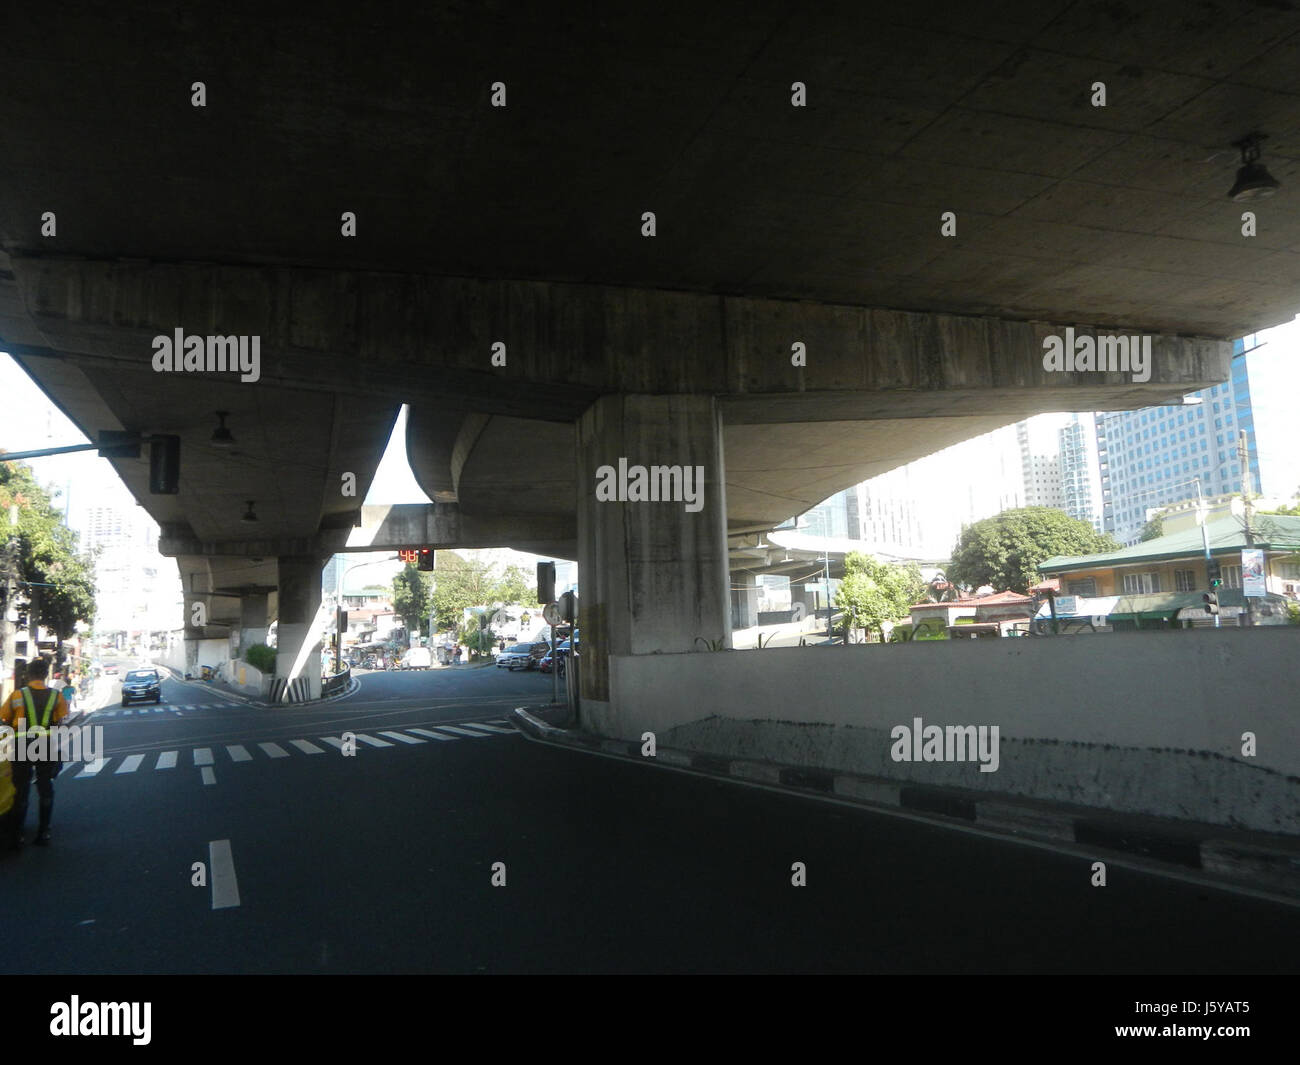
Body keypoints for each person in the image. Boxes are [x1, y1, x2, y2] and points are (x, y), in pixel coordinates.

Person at [2, 657, 71, 848]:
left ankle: (17, 836)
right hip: (45, 744)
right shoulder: (56, 696)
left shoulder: (16, 695)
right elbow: (60, 723)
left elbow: (4, 718)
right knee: (45, 788)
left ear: (28, 674)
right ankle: (44, 833)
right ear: (45, 675)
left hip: (22, 746)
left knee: (20, 791)